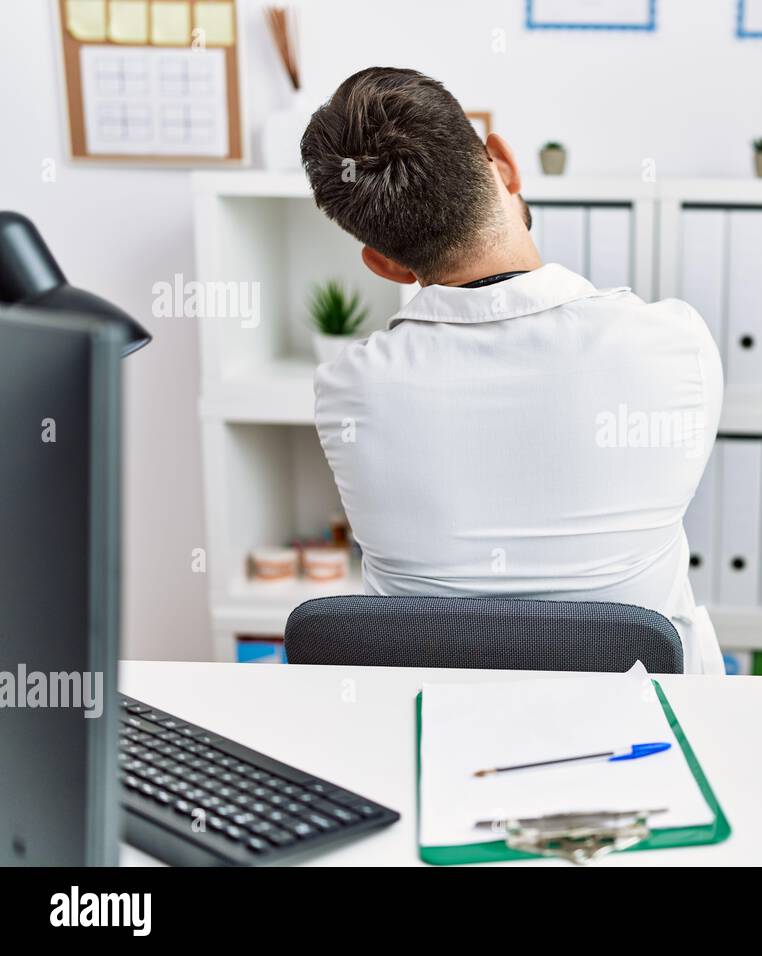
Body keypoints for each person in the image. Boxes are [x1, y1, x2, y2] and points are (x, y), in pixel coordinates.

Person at [301, 67, 724, 673]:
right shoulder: (674, 344)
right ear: (503, 163)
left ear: (385, 265)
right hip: (649, 730)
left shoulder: (349, 390)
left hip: (426, 736)